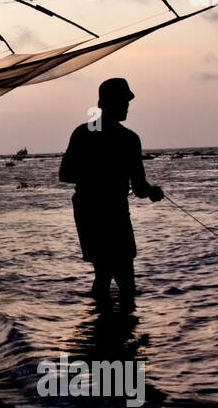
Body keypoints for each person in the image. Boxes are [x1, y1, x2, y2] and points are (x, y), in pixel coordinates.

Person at [59, 77, 163, 304]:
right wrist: (153, 192)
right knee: (126, 281)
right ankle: (122, 332)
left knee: (103, 275)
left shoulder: (82, 133)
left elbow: (65, 174)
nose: (127, 105)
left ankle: (101, 331)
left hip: (87, 213)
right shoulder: (128, 139)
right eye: (124, 100)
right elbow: (139, 188)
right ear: (107, 102)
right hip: (114, 214)